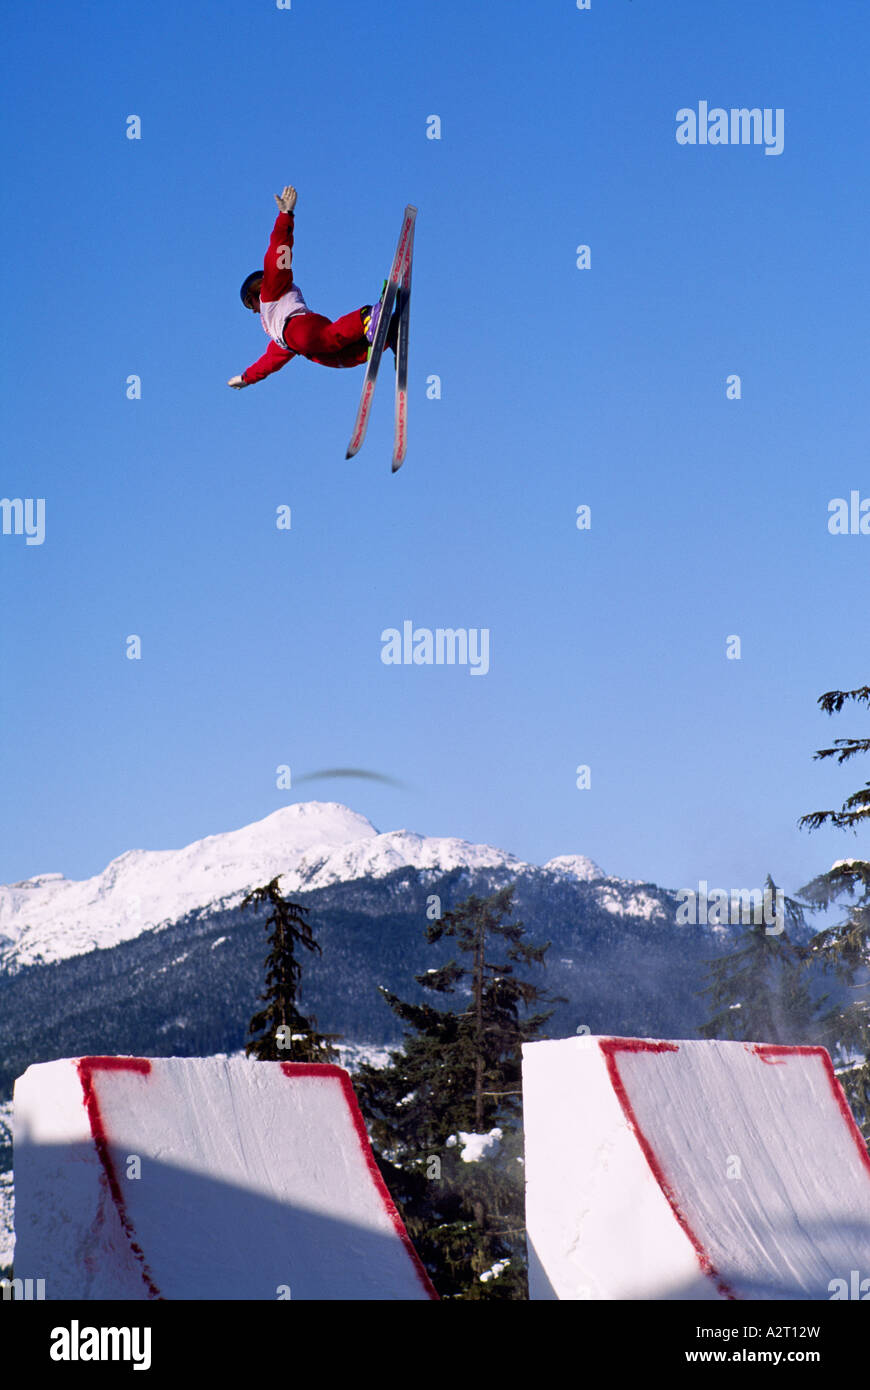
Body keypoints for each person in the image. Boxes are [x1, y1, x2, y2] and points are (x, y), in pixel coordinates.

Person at [227, 186, 392, 389]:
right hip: (300, 345)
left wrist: (285, 216)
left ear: (256, 291)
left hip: (301, 329)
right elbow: (270, 361)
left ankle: (367, 317)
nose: (252, 309)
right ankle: (383, 338)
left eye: (249, 302)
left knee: (328, 339)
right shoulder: (275, 334)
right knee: (341, 358)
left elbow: (279, 254)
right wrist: (247, 378)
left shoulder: (270, 291)